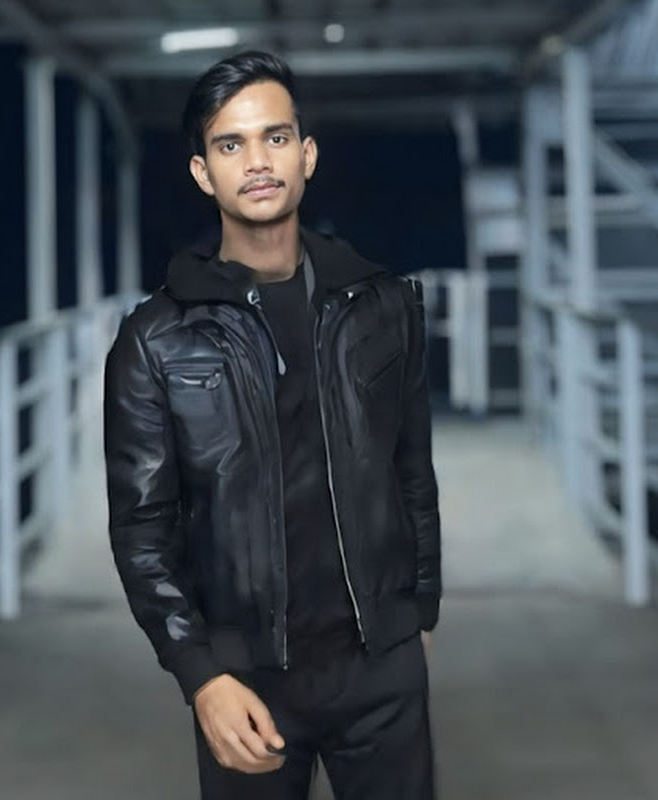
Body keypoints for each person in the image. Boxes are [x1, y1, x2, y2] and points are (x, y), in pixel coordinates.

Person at [104, 50, 441, 800]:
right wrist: (200, 676)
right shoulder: (156, 339)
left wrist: (416, 614)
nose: (257, 161)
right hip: (244, 679)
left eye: (275, 138)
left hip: (381, 668)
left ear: (306, 154)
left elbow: (411, 469)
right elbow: (142, 529)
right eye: (231, 144)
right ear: (203, 173)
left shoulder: (384, 305)